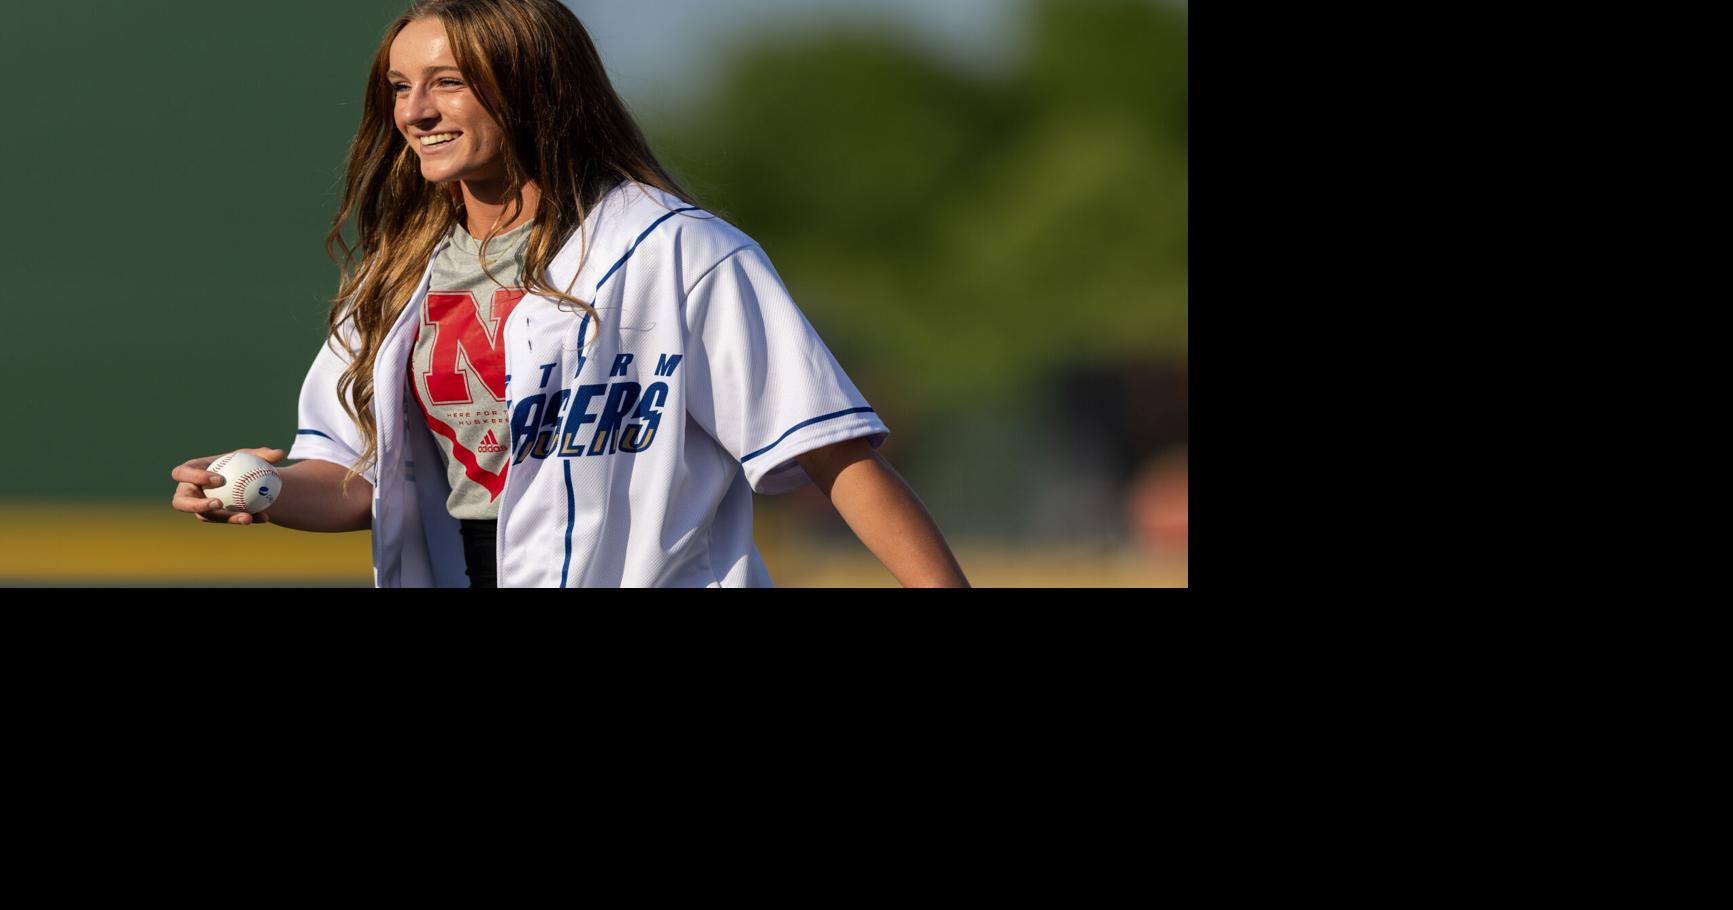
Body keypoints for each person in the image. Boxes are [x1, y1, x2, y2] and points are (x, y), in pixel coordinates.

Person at [167, 0, 969, 588]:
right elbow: (355, 482)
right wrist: (262, 494)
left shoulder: (674, 250)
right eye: (399, 87)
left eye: (446, 81)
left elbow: (832, 455)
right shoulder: (394, 278)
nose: (414, 111)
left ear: (529, 86)